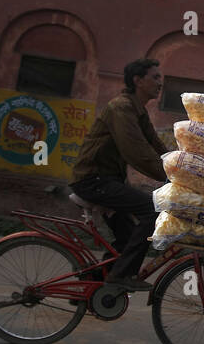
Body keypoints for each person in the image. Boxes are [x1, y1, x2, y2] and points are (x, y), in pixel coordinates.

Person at [68, 59, 167, 292]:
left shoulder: (137, 110)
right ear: (137, 81)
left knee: (127, 237)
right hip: (93, 181)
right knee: (151, 209)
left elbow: (156, 146)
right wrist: (166, 174)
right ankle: (120, 276)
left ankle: (92, 290)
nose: (160, 83)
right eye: (155, 77)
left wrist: (182, 166)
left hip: (107, 181)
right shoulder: (121, 108)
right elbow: (136, 151)